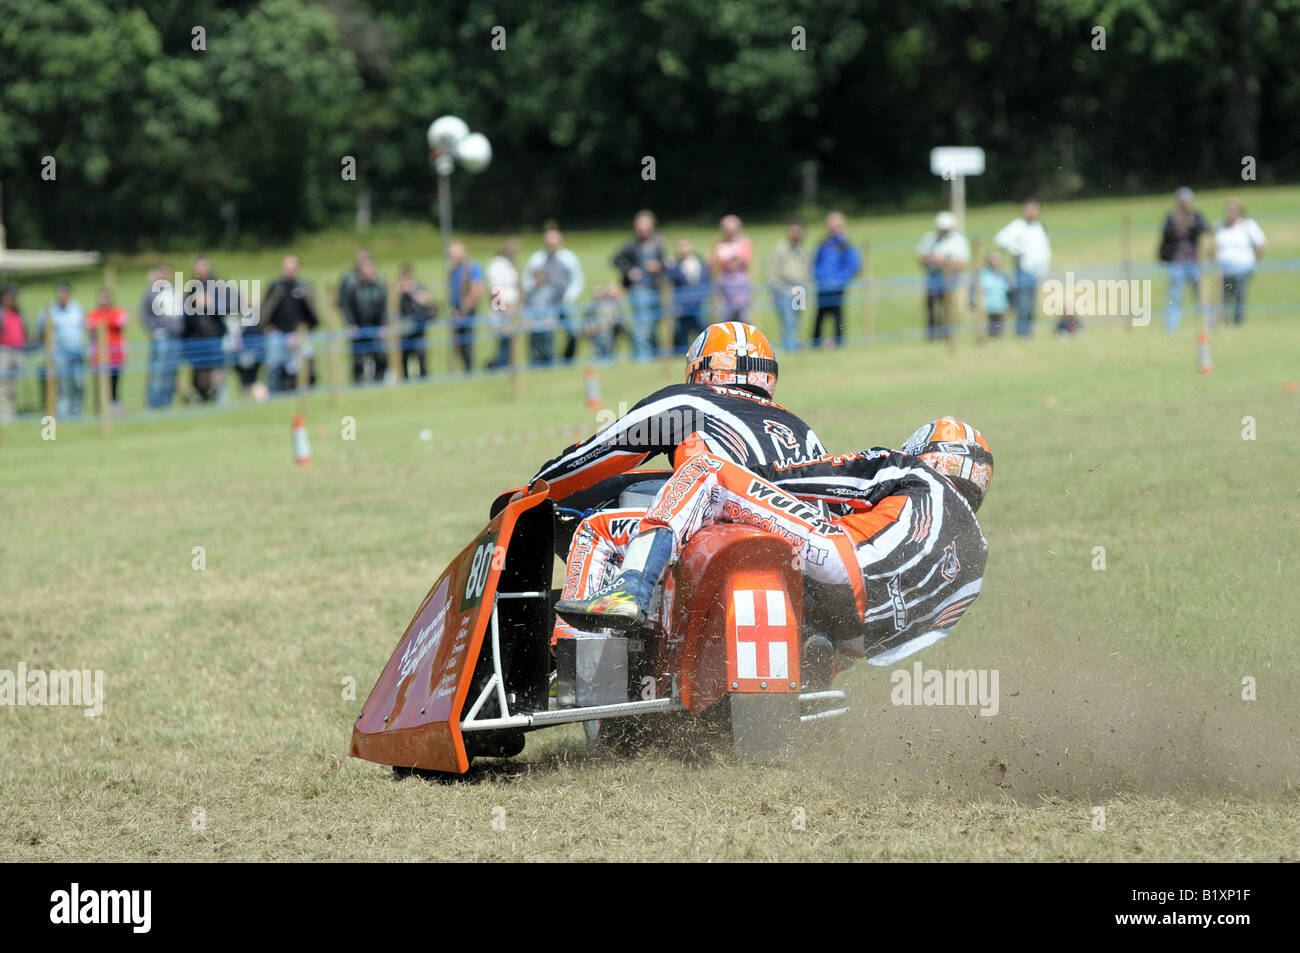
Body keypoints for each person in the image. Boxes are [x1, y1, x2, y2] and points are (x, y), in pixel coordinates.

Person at [556, 418, 992, 674]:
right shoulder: (978, 554)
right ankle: (796, 669)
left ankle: (631, 585)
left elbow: (807, 481)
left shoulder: (911, 472)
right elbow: (925, 629)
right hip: (874, 637)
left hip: (846, 563)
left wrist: (747, 476)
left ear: (923, 452)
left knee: (706, 468)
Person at [528, 322, 827, 641]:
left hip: (723, 527)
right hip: (806, 555)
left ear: (701, 366)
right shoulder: (802, 429)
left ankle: (578, 666)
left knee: (595, 530)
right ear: (768, 374)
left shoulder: (691, 401)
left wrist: (539, 485)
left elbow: (599, 453)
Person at [522, 225, 585, 363]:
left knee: (572, 332)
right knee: (542, 335)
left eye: (554, 242)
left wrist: (569, 297)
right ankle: (543, 361)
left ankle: (568, 360)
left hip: (564, 302)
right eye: (549, 242)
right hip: (543, 303)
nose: (552, 245)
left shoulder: (569, 258)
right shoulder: (537, 259)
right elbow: (527, 280)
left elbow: (577, 280)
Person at [612, 210, 668, 361]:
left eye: (646, 226)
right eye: (640, 227)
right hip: (639, 289)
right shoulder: (631, 244)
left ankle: (654, 352)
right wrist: (629, 271)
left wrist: (659, 266)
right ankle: (643, 356)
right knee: (642, 323)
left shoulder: (657, 243)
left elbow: (666, 263)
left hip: (655, 289)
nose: (643, 230)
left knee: (654, 322)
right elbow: (615, 259)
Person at [260, 254, 320, 393]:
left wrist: (308, 329)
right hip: (278, 334)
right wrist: (266, 326)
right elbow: (265, 309)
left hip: (300, 334)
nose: (290, 270)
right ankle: (273, 394)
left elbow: (313, 311)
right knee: (274, 366)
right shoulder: (275, 286)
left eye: (293, 267)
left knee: (306, 365)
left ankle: (307, 392)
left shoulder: (305, 287)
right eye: (287, 267)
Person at [994, 200, 1051, 336]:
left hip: (1037, 272)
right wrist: (1016, 249)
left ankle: (1028, 332)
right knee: (1023, 304)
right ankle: (1022, 333)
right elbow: (1000, 238)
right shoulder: (1018, 226)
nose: (1031, 213)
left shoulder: (1040, 227)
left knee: (1031, 304)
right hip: (1024, 271)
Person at [1158, 187, 1210, 333]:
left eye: (1187, 200)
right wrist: (1176, 228)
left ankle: (1208, 323)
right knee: (1174, 295)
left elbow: (1205, 229)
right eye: (1182, 201)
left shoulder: (1196, 216)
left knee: (1200, 294)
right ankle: (1171, 326)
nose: (1185, 203)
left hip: (1195, 261)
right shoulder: (1171, 217)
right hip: (1177, 262)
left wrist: (1192, 225)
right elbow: (1165, 234)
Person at [916, 211, 971, 340]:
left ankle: (948, 335)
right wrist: (933, 260)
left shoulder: (959, 240)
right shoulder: (930, 238)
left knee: (948, 307)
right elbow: (920, 255)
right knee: (931, 307)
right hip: (933, 276)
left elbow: (963, 263)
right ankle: (931, 335)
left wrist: (945, 263)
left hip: (950, 277)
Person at [183, 257, 229, 402]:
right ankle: (202, 395)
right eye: (198, 267)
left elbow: (230, 307)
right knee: (199, 369)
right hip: (196, 336)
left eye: (203, 266)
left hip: (215, 334)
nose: (201, 270)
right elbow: (185, 313)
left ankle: (216, 395)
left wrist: (211, 304)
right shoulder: (191, 287)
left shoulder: (219, 286)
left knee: (216, 366)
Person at [36, 283, 86, 417]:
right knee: (62, 386)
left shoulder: (76, 308)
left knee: (79, 384)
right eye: (61, 292)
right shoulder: (49, 310)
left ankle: (77, 414)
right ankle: (62, 414)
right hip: (59, 355)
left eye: (66, 292)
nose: (63, 295)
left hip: (76, 353)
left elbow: (85, 326)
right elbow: (40, 331)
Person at [1213, 201, 1267, 327]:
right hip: (1223, 270)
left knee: (1240, 295)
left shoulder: (1249, 225)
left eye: (1232, 210)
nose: (1229, 213)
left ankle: (1238, 322)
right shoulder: (1219, 225)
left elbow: (1261, 244)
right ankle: (1223, 322)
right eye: (1228, 210)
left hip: (1243, 268)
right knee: (1224, 297)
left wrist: (1255, 261)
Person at [811, 212, 861, 347]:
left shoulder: (845, 244)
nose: (832, 229)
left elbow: (853, 265)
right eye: (830, 226)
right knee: (819, 315)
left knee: (838, 315)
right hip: (822, 286)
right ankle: (815, 343)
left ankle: (839, 341)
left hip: (837, 287)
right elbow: (816, 262)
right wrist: (819, 278)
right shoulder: (823, 243)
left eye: (835, 226)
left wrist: (838, 280)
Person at [141, 263, 183, 408]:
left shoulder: (174, 290)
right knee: (158, 372)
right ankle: (154, 404)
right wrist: (153, 332)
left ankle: (166, 403)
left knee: (171, 371)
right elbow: (144, 315)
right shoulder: (151, 292)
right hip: (162, 338)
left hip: (176, 337)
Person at [766, 220, 810, 351]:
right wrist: (774, 290)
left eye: (798, 231)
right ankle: (790, 347)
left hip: (800, 291)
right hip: (784, 290)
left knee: (796, 321)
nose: (796, 234)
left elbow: (806, 269)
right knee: (788, 321)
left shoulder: (802, 249)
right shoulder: (780, 248)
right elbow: (772, 270)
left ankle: (794, 344)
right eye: (793, 230)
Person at [344, 255, 388, 382]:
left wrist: (384, 325)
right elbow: (347, 308)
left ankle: (378, 381)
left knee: (381, 358)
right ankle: (358, 384)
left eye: (369, 268)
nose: (366, 271)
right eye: (363, 268)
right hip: (358, 329)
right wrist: (351, 324)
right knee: (357, 362)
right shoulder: (353, 287)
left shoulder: (379, 287)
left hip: (375, 329)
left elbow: (385, 308)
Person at [85, 288, 130, 410]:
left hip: (116, 355)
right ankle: (101, 407)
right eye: (102, 297)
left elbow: (123, 322)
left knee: (114, 382)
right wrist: (109, 322)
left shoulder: (118, 312)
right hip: (98, 355)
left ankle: (113, 406)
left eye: (107, 297)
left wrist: (104, 322)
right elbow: (89, 325)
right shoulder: (93, 313)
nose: (104, 300)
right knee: (100, 383)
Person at [665, 238, 711, 354]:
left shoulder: (701, 263)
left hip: (700, 302)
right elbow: (672, 284)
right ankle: (684, 352)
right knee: (683, 331)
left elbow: (707, 280)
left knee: (703, 330)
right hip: (684, 304)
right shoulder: (676, 266)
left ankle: (706, 351)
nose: (683, 249)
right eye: (680, 247)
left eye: (685, 246)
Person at [395, 263, 436, 379]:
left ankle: (424, 378)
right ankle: (405, 380)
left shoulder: (419, 288)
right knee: (403, 360)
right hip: (403, 332)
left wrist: (413, 293)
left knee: (421, 356)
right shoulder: (397, 291)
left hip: (418, 330)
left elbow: (430, 305)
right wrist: (398, 293)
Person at [485, 240, 521, 370]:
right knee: (505, 339)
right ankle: (498, 366)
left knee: (510, 340)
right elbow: (496, 288)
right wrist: (504, 308)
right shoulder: (496, 265)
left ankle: (504, 365)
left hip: (511, 307)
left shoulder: (508, 265)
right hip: (502, 309)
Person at [448, 241, 484, 372]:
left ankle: (470, 370)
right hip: (456, 312)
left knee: (467, 343)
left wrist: (464, 310)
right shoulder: (453, 270)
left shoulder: (472, 268)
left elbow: (477, 290)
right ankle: (459, 371)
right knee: (457, 345)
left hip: (466, 312)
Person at [710, 214, 754, 321]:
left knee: (744, 322)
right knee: (726, 323)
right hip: (724, 289)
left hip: (741, 288)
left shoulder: (744, 242)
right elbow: (712, 262)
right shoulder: (719, 243)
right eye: (727, 229)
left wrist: (727, 262)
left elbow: (746, 260)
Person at [0, 285, 27, 423]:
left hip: (18, 351)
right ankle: (4, 413)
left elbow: (23, 330)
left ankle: (11, 410)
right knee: (3, 383)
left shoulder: (18, 312)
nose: (13, 298)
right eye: (11, 295)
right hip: (5, 352)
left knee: (14, 384)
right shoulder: (1, 313)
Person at [581, 284, 628, 361]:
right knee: (597, 349)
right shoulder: (590, 307)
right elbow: (587, 320)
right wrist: (588, 327)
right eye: (596, 292)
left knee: (608, 347)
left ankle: (609, 359)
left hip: (608, 331)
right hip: (596, 332)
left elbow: (616, 317)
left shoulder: (610, 305)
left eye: (600, 292)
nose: (598, 295)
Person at [977, 252, 1011, 337]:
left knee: (998, 330)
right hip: (986, 307)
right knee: (987, 330)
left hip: (1000, 307)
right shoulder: (983, 274)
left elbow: (1010, 290)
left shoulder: (1004, 275)